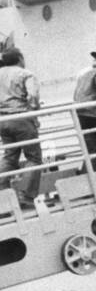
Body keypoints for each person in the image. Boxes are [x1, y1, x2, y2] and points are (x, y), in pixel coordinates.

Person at [0, 49, 43, 209]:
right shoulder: (25, 74)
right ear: (20, 59)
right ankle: (26, 195)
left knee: (10, 156)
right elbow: (33, 95)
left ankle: (2, 191)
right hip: (21, 118)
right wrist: (34, 111)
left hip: (3, 120)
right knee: (34, 157)